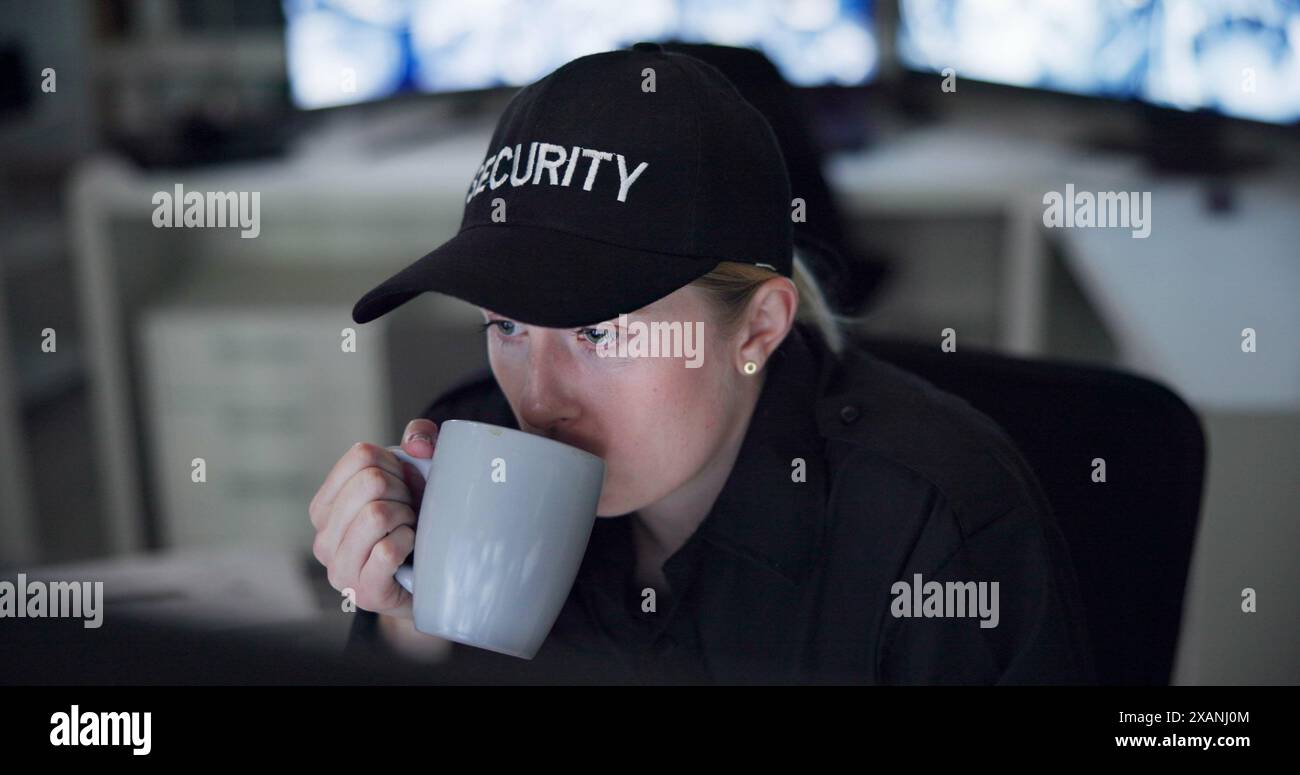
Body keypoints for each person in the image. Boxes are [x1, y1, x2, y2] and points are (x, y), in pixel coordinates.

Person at [308, 43, 1096, 684]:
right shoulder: (464, 452)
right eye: (507, 323)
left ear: (757, 327)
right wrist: (412, 629)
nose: (537, 399)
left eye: (599, 333)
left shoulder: (930, 528)